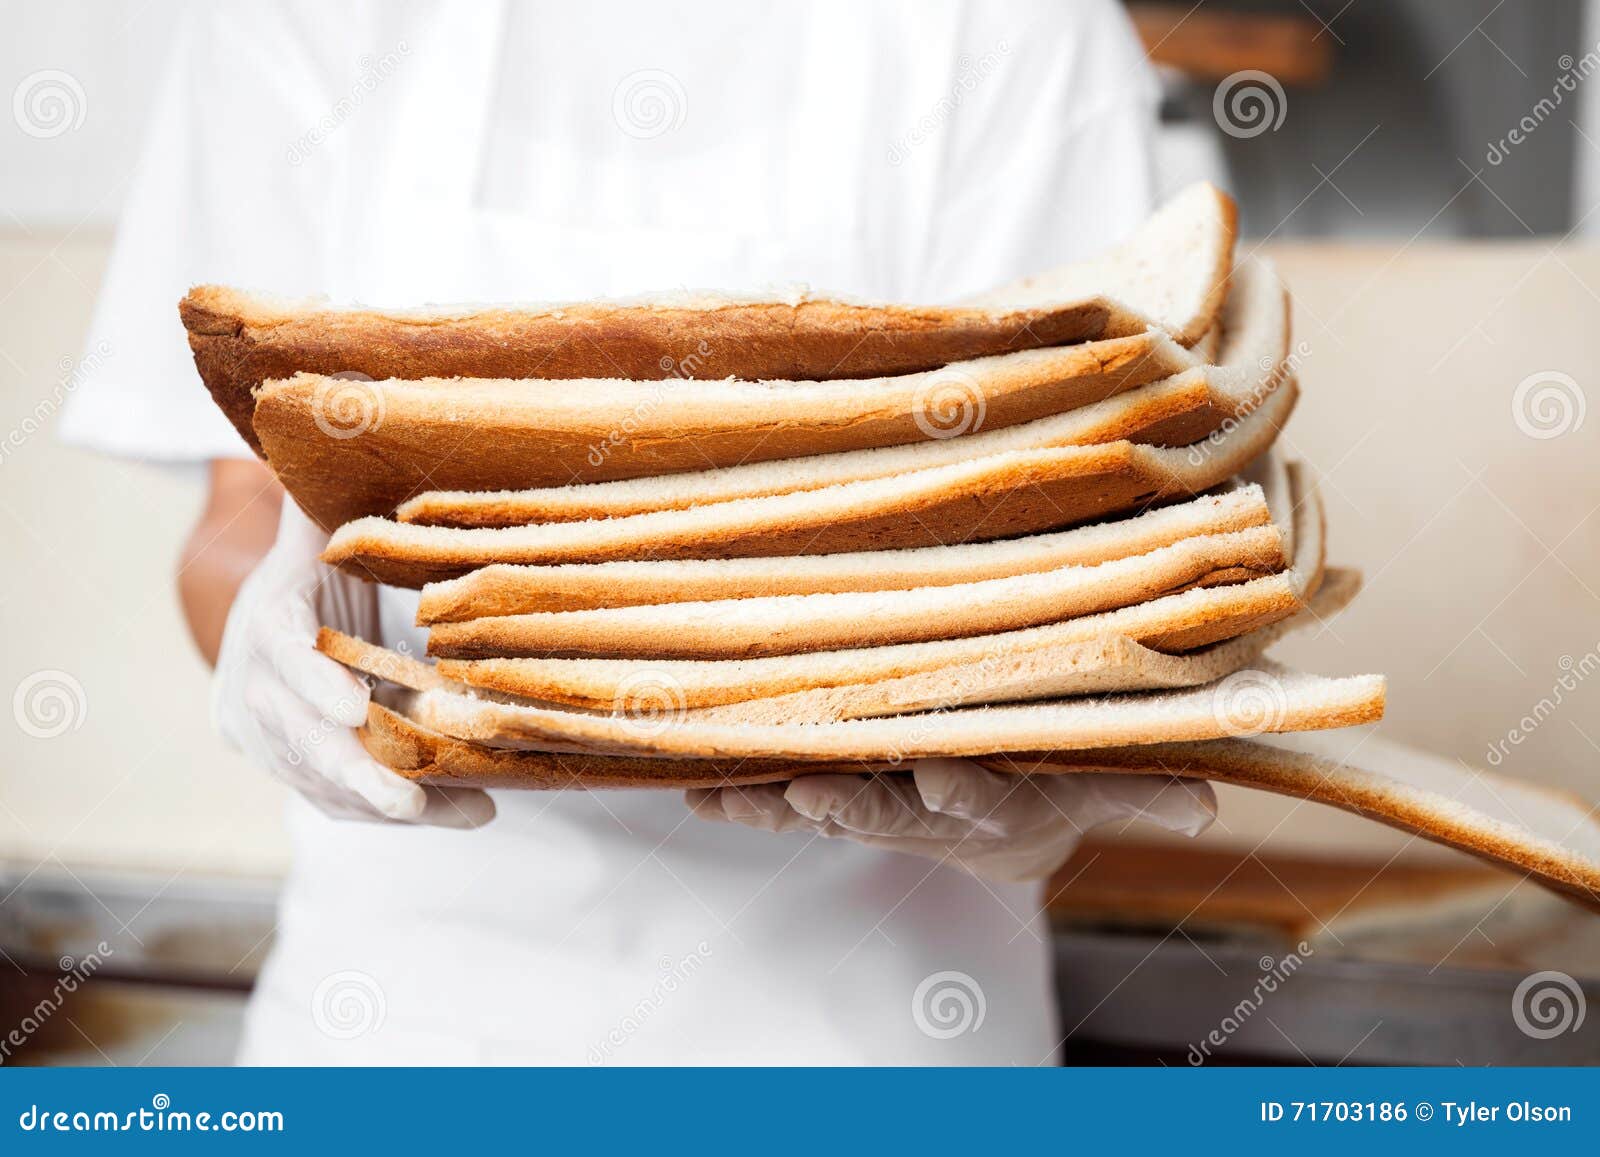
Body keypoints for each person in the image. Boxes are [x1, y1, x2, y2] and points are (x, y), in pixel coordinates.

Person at [62, 0, 1214, 1064]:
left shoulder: (1009, 26)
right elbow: (243, 515)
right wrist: (276, 638)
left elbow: (1080, 516)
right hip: (400, 1023)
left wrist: (1057, 741)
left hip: (877, 1035)